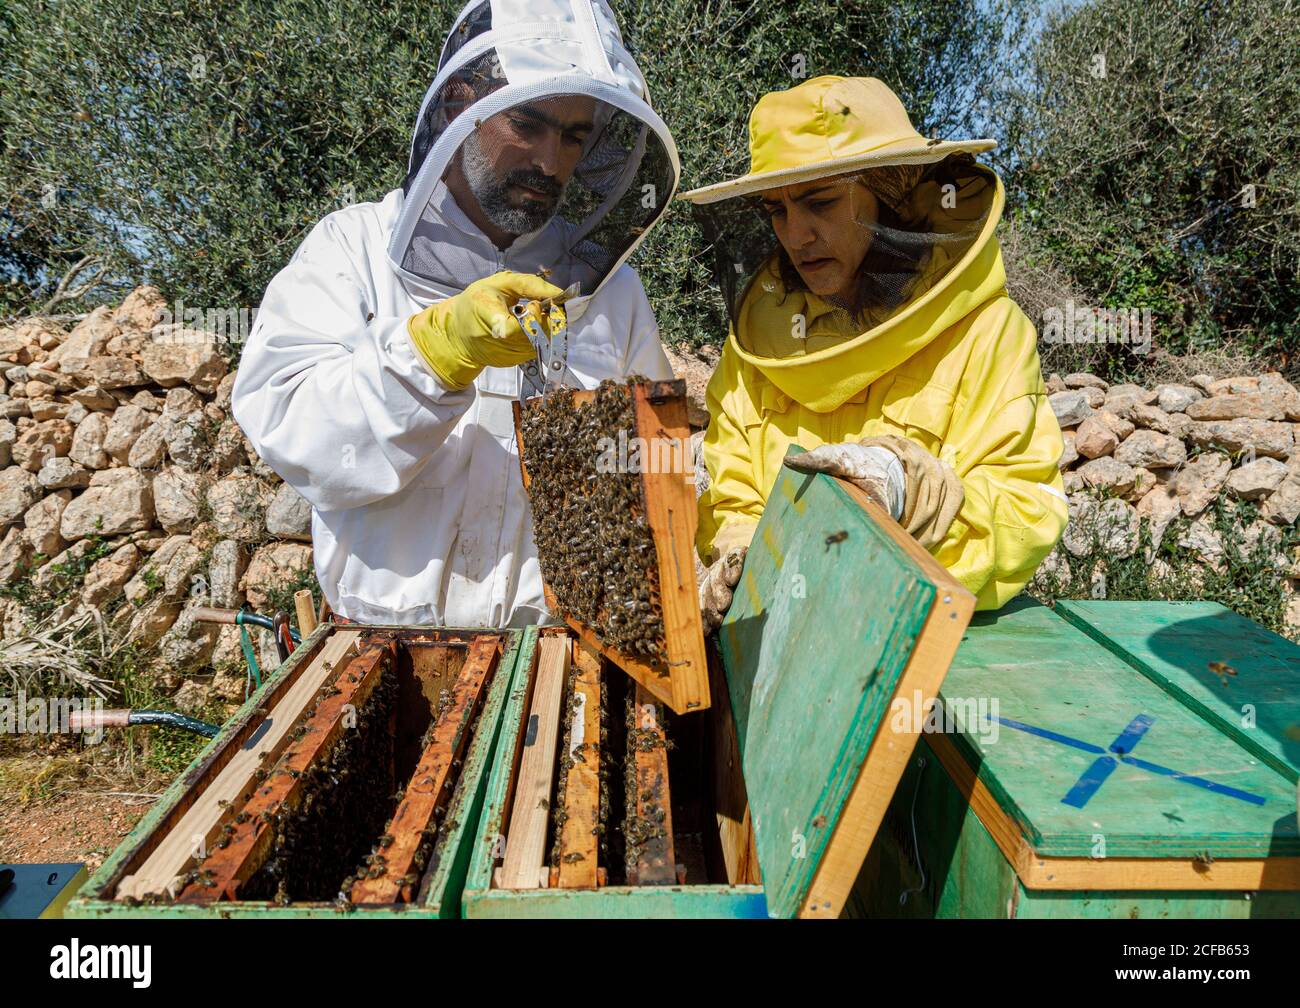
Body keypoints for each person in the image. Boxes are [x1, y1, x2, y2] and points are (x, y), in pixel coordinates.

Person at [232, 0, 680, 627]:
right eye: (529, 123)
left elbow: (665, 462)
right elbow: (292, 431)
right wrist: (435, 353)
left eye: (575, 137)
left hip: (557, 657)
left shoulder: (614, 292)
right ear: (459, 105)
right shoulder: (352, 249)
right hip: (382, 650)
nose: (551, 162)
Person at [683, 76, 1068, 630]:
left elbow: (1026, 512)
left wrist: (916, 497)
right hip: (775, 650)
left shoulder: (986, 333)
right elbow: (733, 494)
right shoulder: (758, 349)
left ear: (890, 195)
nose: (796, 234)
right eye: (777, 210)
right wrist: (743, 560)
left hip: (918, 646)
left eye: (820, 202)